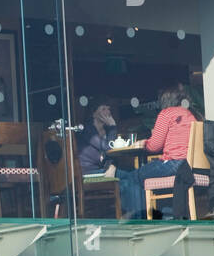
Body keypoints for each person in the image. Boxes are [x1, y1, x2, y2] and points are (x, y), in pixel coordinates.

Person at [105, 87, 196, 218]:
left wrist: (144, 143)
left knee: (136, 177)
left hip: (173, 164)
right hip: (187, 166)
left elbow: (154, 146)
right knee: (138, 174)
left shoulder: (166, 114)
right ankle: (163, 214)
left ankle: (137, 218)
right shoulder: (189, 115)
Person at [77, 101, 117, 174]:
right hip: (88, 171)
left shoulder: (106, 129)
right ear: (94, 114)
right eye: (103, 109)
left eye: (108, 109)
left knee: (127, 173)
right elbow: (108, 147)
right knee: (126, 175)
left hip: (101, 169)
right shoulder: (87, 129)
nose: (108, 112)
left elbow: (111, 152)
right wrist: (113, 127)